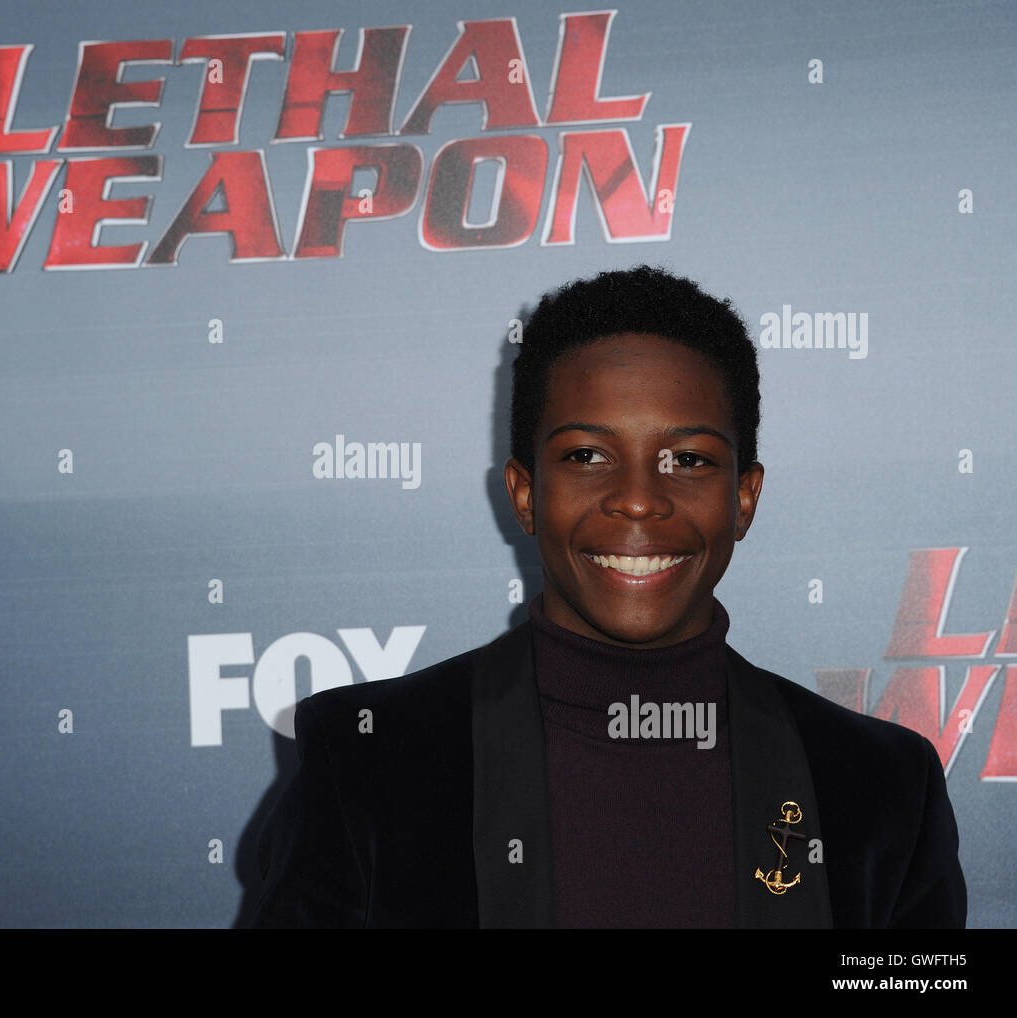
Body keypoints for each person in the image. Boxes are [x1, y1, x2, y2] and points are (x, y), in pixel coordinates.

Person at [246, 265, 967, 928]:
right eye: (587, 456)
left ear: (744, 499)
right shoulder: (369, 760)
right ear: (526, 495)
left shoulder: (880, 788)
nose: (638, 501)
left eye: (688, 460)